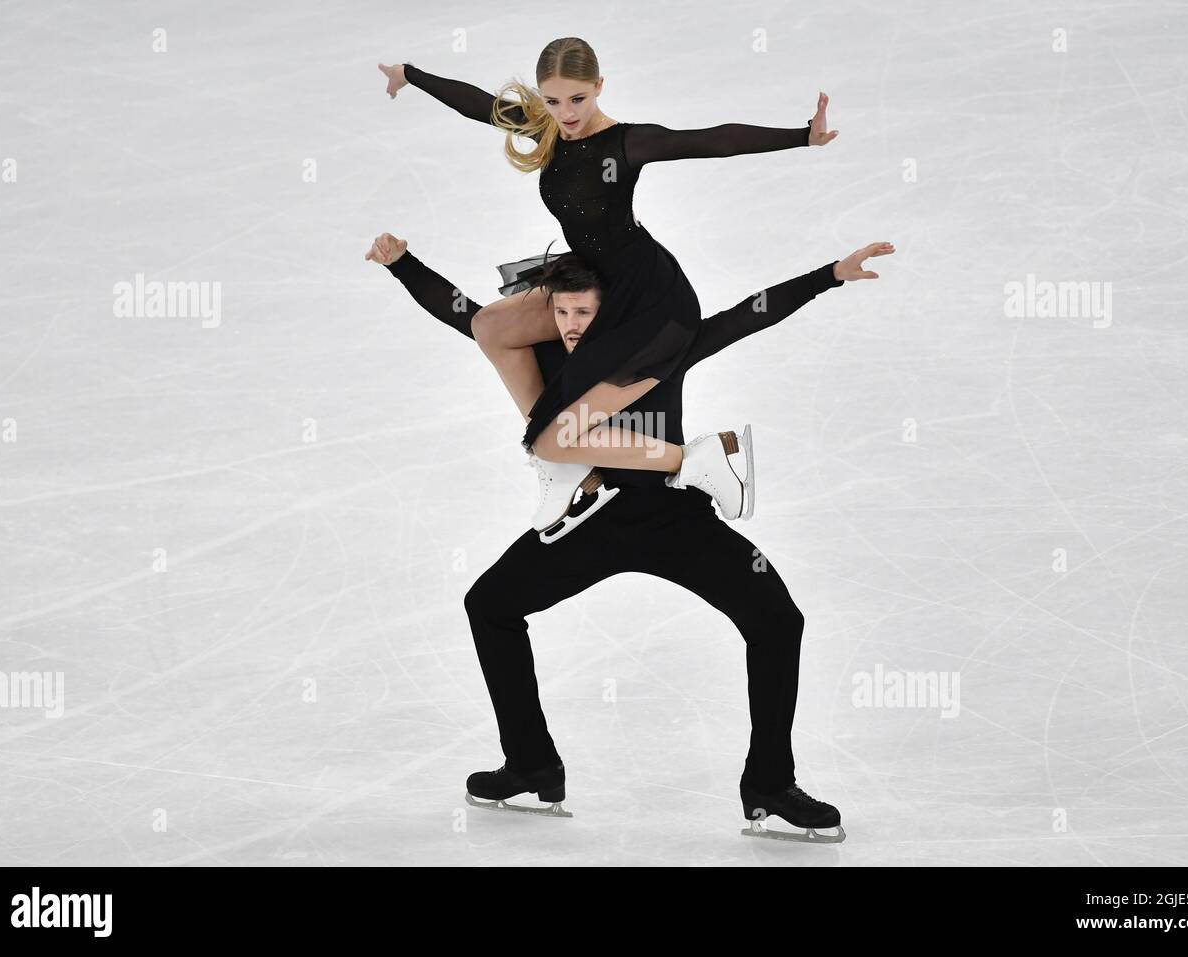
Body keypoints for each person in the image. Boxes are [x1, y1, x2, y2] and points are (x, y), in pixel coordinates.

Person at [366, 230, 895, 841]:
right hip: (591, 517)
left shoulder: (659, 347)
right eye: (561, 311)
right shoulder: (547, 357)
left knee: (779, 619)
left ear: (610, 308)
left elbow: (749, 316)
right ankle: (532, 764)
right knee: (489, 605)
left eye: (583, 312)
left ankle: (771, 785)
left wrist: (831, 274)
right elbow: (468, 316)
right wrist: (403, 264)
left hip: (675, 516)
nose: (569, 324)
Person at [377, 37, 839, 512]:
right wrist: (409, 74)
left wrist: (803, 135)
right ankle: (564, 465)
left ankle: (693, 459)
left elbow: (709, 141)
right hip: (595, 282)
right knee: (489, 326)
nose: (566, 112)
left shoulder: (625, 143)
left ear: (599, 86)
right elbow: (481, 106)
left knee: (554, 436)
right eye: (552, 100)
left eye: (577, 98)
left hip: (651, 303)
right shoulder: (549, 130)